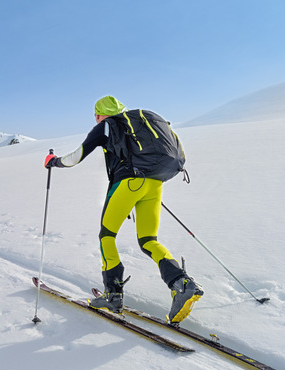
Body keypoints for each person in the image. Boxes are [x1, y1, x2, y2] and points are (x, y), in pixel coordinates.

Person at [44, 95, 203, 324]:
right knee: (149, 240)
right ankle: (182, 284)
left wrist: (53, 161)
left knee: (106, 236)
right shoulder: (139, 124)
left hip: (129, 184)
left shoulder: (107, 126)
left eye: (96, 116)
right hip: (155, 183)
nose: (96, 120)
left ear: (100, 114)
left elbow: (75, 157)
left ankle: (113, 295)